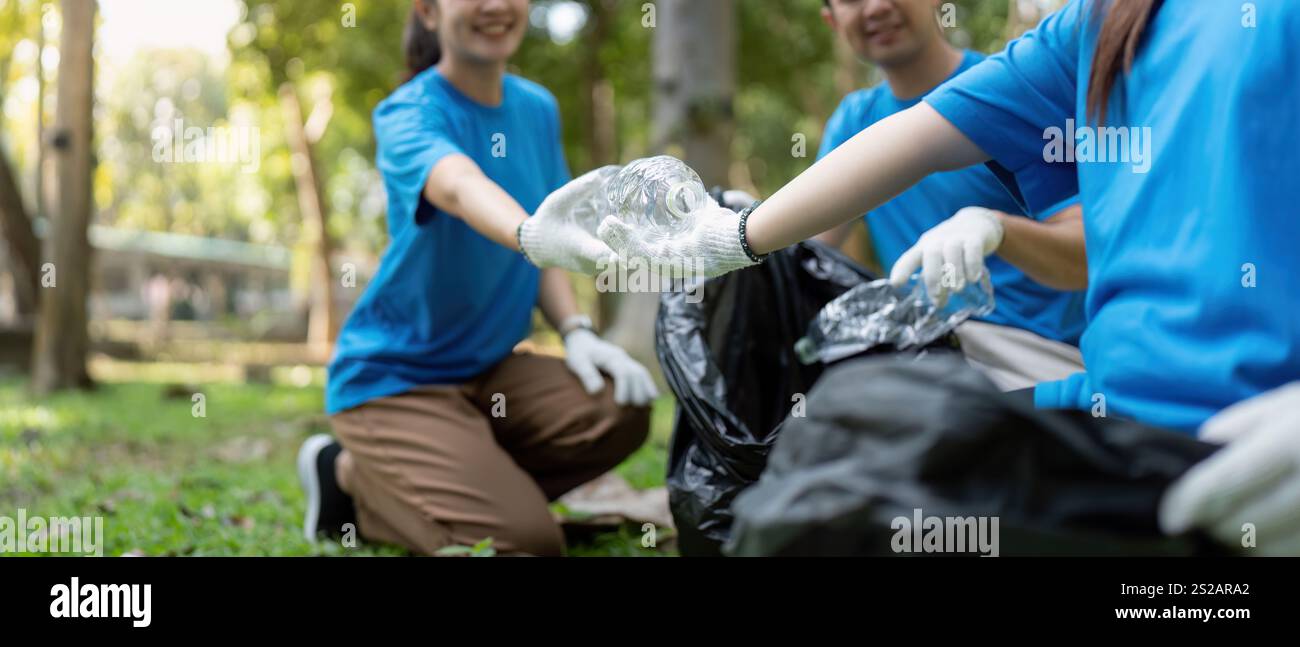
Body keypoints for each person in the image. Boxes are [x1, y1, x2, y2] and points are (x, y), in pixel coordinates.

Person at [597, 0, 1300, 554]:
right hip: (1111, 418)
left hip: (1237, 421)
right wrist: (729, 236)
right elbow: (912, 141)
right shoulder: (1096, 26)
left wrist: (993, 227)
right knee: (841, 443)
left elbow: (1080, 242)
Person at [297, 0, 657, 557]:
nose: (495, 5)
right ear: (429, 11)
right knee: (523, 543)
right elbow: (461, 187)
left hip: (490, 373)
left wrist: (578, 331)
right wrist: (528, 233)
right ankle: (351, 480)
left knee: (619, 408)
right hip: (397, 380)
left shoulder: (537, 108)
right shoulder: (408, 112)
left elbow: (550, 224)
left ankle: (466, 481)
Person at [814, 0, 1088, 390]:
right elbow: (808, 253)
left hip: (1037, 361)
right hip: (925, 357)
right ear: (832, 21)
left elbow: (1086, 257)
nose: (875, 7)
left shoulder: (1011, 92)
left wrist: (997, 230)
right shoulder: (854, 123)